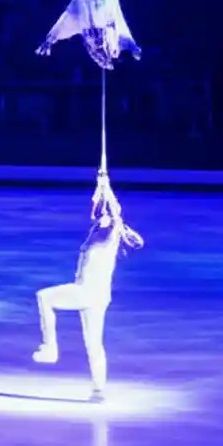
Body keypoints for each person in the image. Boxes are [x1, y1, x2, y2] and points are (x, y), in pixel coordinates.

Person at [33, 171, 144, 401]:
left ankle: (51, 348)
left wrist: (106, 186)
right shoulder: (98, 232)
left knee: (45, 297)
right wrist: (100, 187)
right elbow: (96, 208)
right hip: (99, 296)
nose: (98, 213)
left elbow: (112, 212)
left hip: (87, 292)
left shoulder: (110, 232)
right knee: (94, 343)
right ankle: (99, 389)